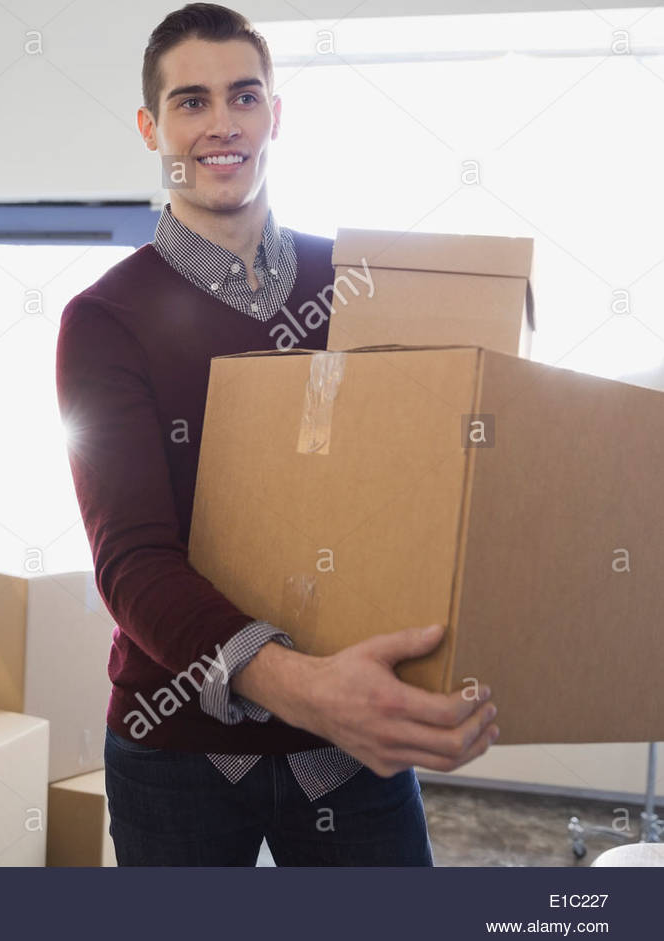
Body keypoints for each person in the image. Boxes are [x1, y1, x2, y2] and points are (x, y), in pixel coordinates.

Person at [55, 3, 499, 866]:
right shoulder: (105, 320)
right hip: (177, 744)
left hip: (351, 747)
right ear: (152, 128)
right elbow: (133, 563)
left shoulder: (364, 284)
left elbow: (430, 491)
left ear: (275, 115)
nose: (221, 125)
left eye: (244, 96)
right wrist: (304, 689)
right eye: (190, 103)